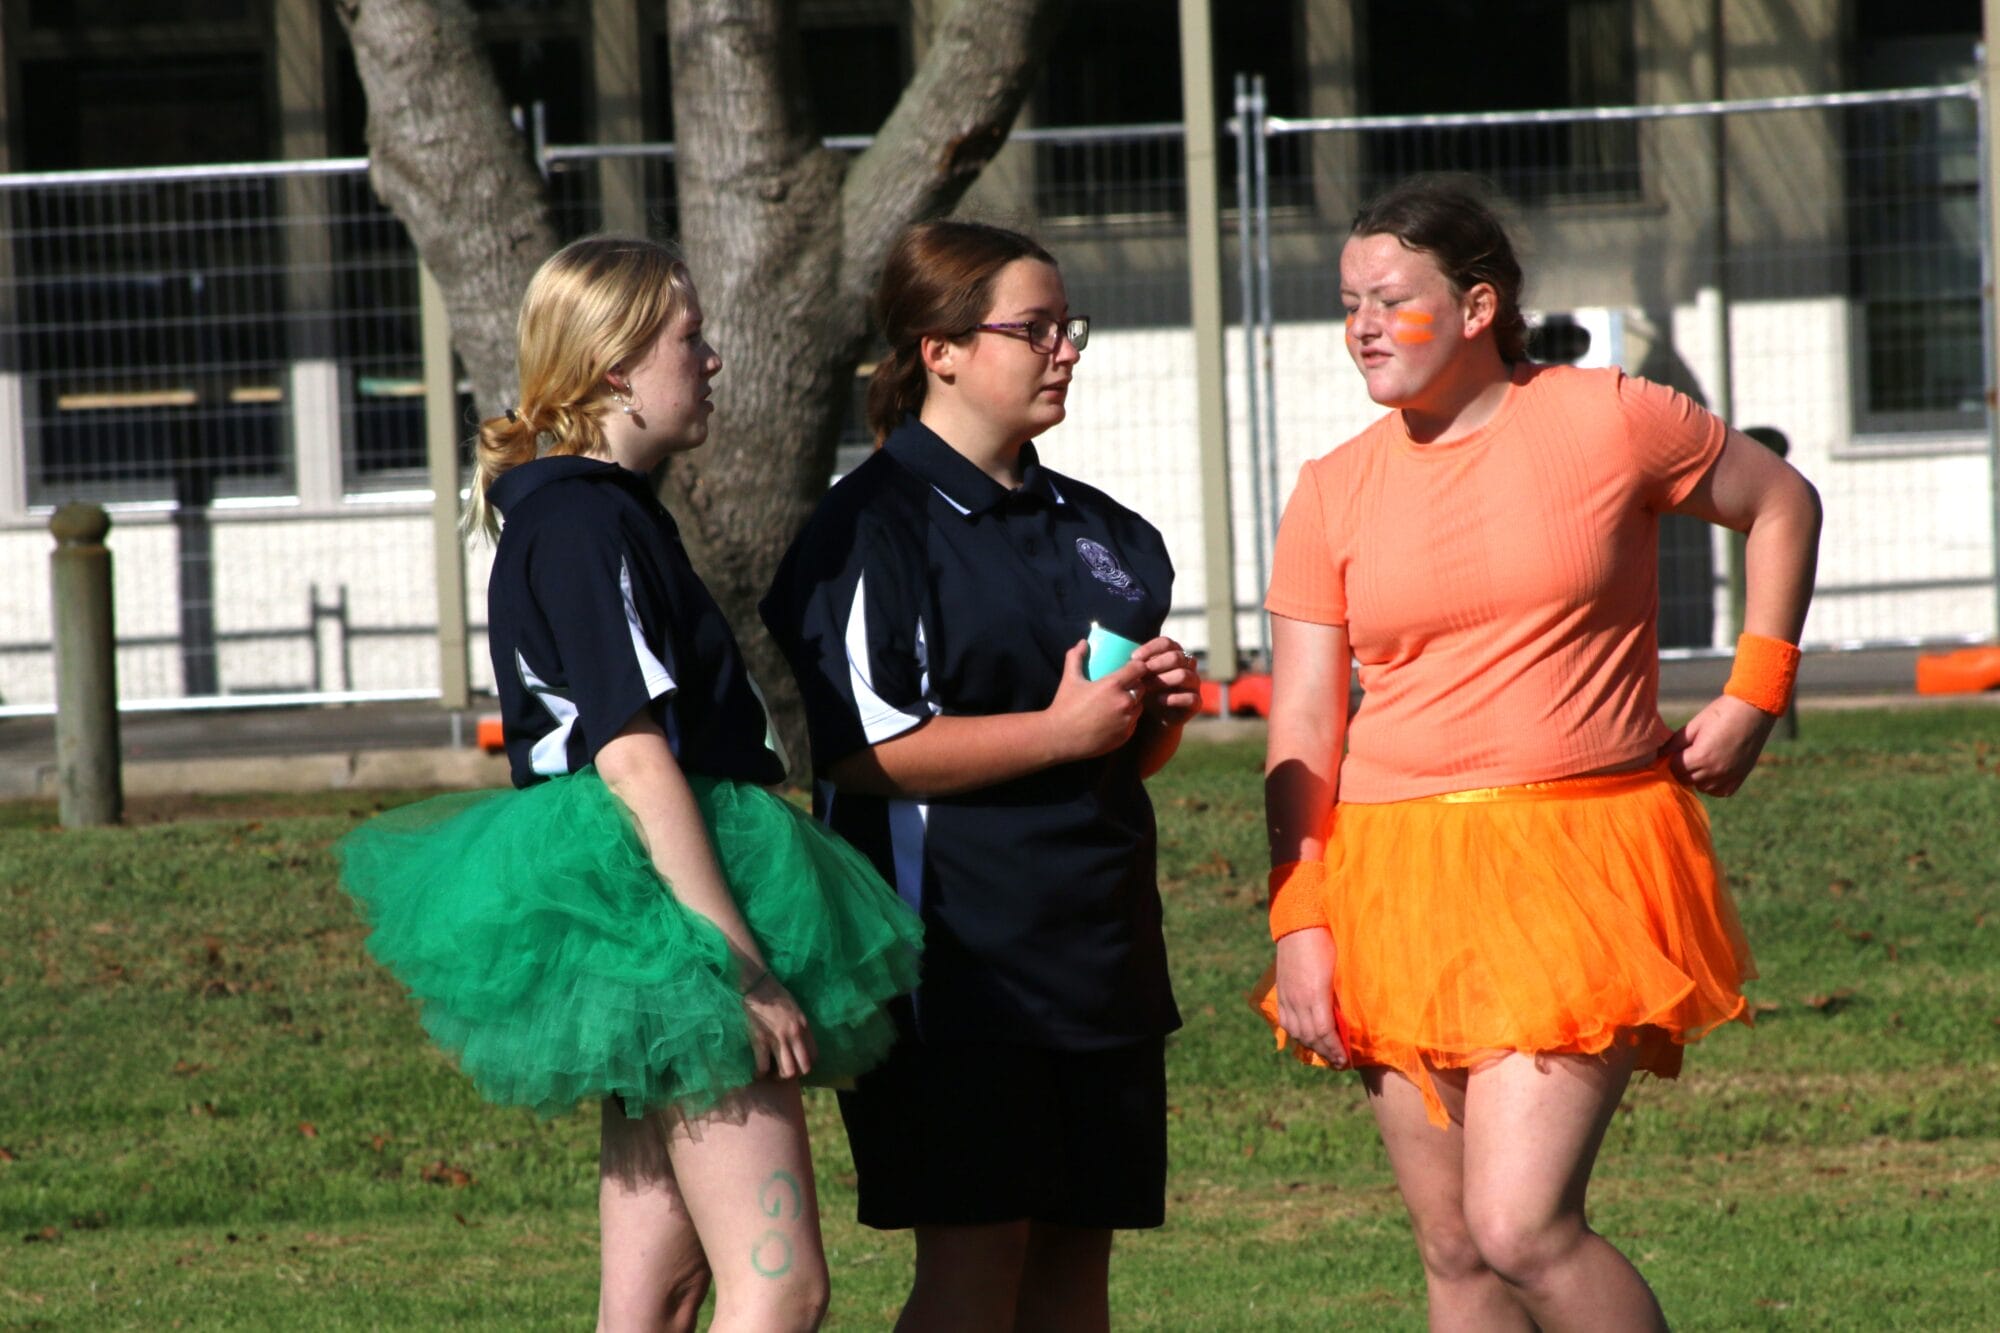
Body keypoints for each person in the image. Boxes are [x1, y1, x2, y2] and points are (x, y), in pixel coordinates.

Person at [1252, 178, 1821, 1331]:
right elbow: (1302, 729)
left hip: (1576, 857)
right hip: (1392, 878)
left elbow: (1780, 504)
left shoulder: (1604, 416)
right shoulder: (1329, 490)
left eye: (1389, 299)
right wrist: (1298, 919)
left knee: (1519, 1224)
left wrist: (1755, 691)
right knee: (1456, 1251)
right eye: (1345, 301)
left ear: (1476, 306)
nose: (1360, 324)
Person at [336, 235, 923, 1333]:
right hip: (667, 906)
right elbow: (632, 751)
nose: (711, 363)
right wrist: (739, 966)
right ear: (614, 366)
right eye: (689, 340)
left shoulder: (581, 511)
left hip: (638, 907)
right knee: (779, 1282)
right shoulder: (583, 519)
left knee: (657, 1290)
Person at [760, 219, 1201, 1333]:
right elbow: (860, 750)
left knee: (1071, 1271)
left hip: (1096, 951)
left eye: (1069, 327)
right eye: (1033, 328)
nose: (1064, 349)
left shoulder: (1107, 534)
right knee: (975, 1270)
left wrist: (1147, 721)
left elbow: (1105, 744)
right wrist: (1058, 732)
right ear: (939, 348)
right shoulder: (869, 527)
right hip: (954, 966)